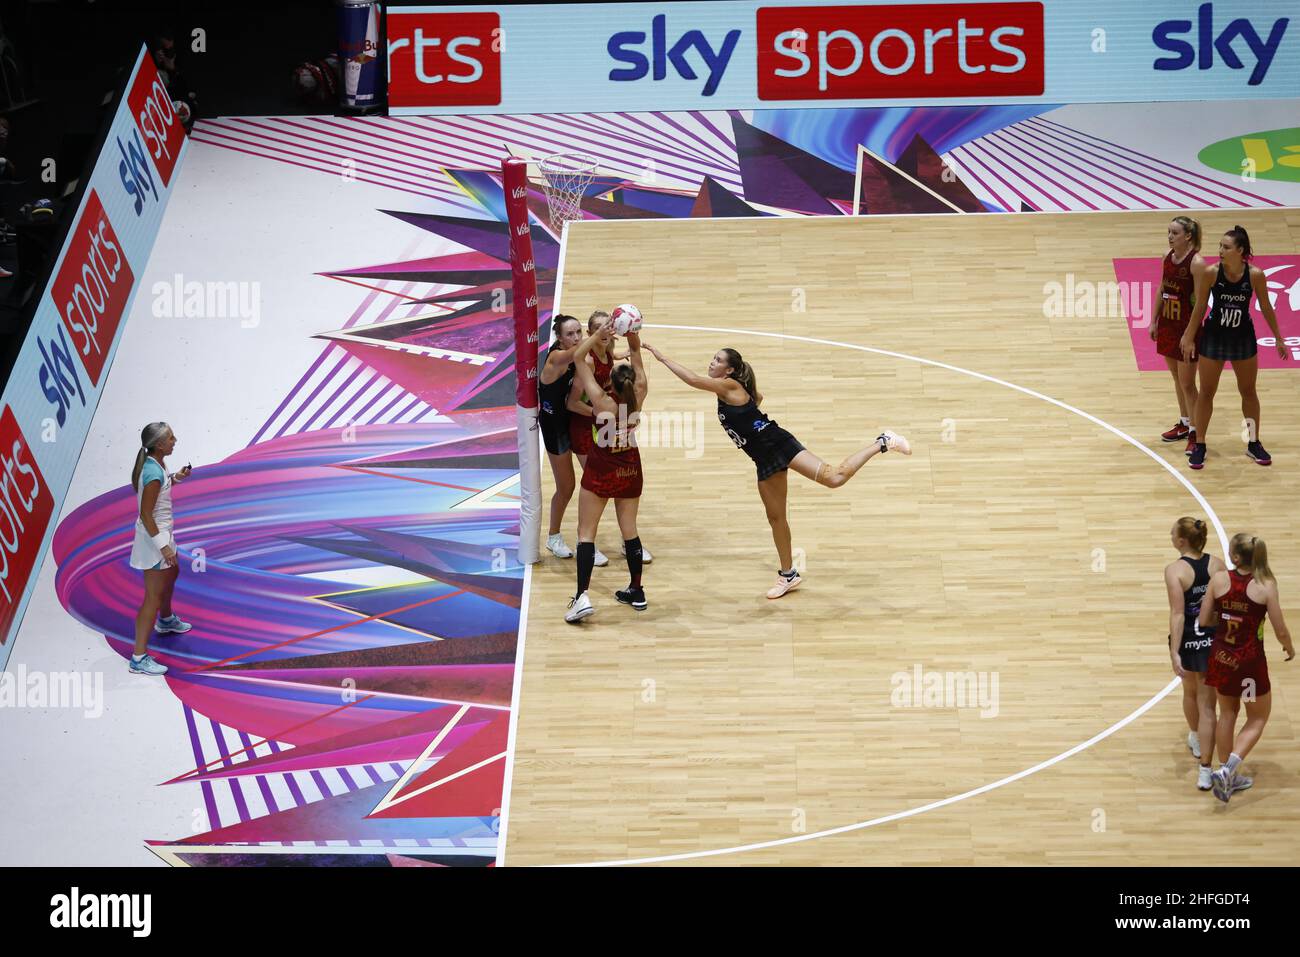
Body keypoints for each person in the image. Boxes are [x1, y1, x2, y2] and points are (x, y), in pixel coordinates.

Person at [643, 343, 910, 599]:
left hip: (778, 444)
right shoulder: (730, 390)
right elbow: (756, 399)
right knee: (776, 519)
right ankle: (788, 575)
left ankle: (883, 442)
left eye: (718, 360)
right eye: (713, 358)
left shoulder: (728, 386)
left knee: (834, 478)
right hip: (763, 458)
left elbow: (692, 380)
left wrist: (660, 357)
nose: (712, 362)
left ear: (729, 371)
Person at [1180, 226, 1287, 470]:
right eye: (1219, 246)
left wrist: (1279, 338)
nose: (1220, 251)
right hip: (1214, 338)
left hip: (1243, 339)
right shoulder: (1210, 273)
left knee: (1248, 391)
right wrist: (1188, 335)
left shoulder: (1256, 275)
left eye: (1226, 247)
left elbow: (1267, 307)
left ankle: (1253, 442)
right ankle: (1201, 444)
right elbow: (1199, 309)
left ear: (1241, 251)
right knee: (1207, 392)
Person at [1197, 533, 1294, 802]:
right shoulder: (1265, 585)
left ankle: (1224, 772)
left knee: (1227, 714)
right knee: (1257, 717)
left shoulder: (1218, 580)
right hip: (1249, 665)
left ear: (1236, 557)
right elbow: (1279, 628)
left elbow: (1205, 619)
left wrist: (1227, 616)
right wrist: (1289, 646)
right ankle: (1228, 770)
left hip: (1222, 659)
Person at [565, 319, 648, 623]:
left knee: (586, 532)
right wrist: (633, 337)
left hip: (601, 468)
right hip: (630, 467)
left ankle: (581, 597)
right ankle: (636, 590)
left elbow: (577, 359)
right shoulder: (640, 392)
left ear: (610, 380)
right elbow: (637, 356)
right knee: (631, 531)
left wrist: (598, 336)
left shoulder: (601, 401)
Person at [1163, 517, 1225, 790]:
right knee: (1209, 704)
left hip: (1190, 640)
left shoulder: (1175, 570)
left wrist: (1175, 651)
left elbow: (1178, 613)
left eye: (1172, 534)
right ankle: (1203, 747)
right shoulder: (1217, 564)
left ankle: (1200, 747)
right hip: (1213, 640)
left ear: (1181, 541)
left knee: (1192, 694)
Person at [127, 422, 193, 675]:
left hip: (164, 534)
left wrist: (177, 477)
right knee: (151, 598)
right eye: (170, 437)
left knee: (173, 573)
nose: (174, 440)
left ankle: (165, 621)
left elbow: (163, 487)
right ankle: (138, 658)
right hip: (155, 539)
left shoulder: (157, 465)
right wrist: (162, 547)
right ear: (158, 444)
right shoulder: (152, 473)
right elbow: (145, 514)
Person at [1151, 217, 1210, 454]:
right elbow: (1161, 288)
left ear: (1188, 236)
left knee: (1188, 383)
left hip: (1187, 328)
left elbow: (1201, 303)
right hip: (1168, 324)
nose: (1170, 236)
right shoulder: (1166, 256)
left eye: (1174, 233)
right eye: (1168, 232)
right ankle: (1185, 423)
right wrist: (1154, 320)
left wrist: (1190, 334)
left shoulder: (1197, 263)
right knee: (1176, 377)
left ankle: (1196, 433)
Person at [538, 314, 583, 559]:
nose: (576, 338)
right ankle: (553, 537)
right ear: (559, 338)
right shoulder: (557, 357)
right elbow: (578, 353)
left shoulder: (576, 352)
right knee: (566, 487)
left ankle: (587, 539)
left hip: (573, 419)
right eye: (570, 334)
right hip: (555, 428)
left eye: (579, 332)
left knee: (597, 479)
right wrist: (599, 335)